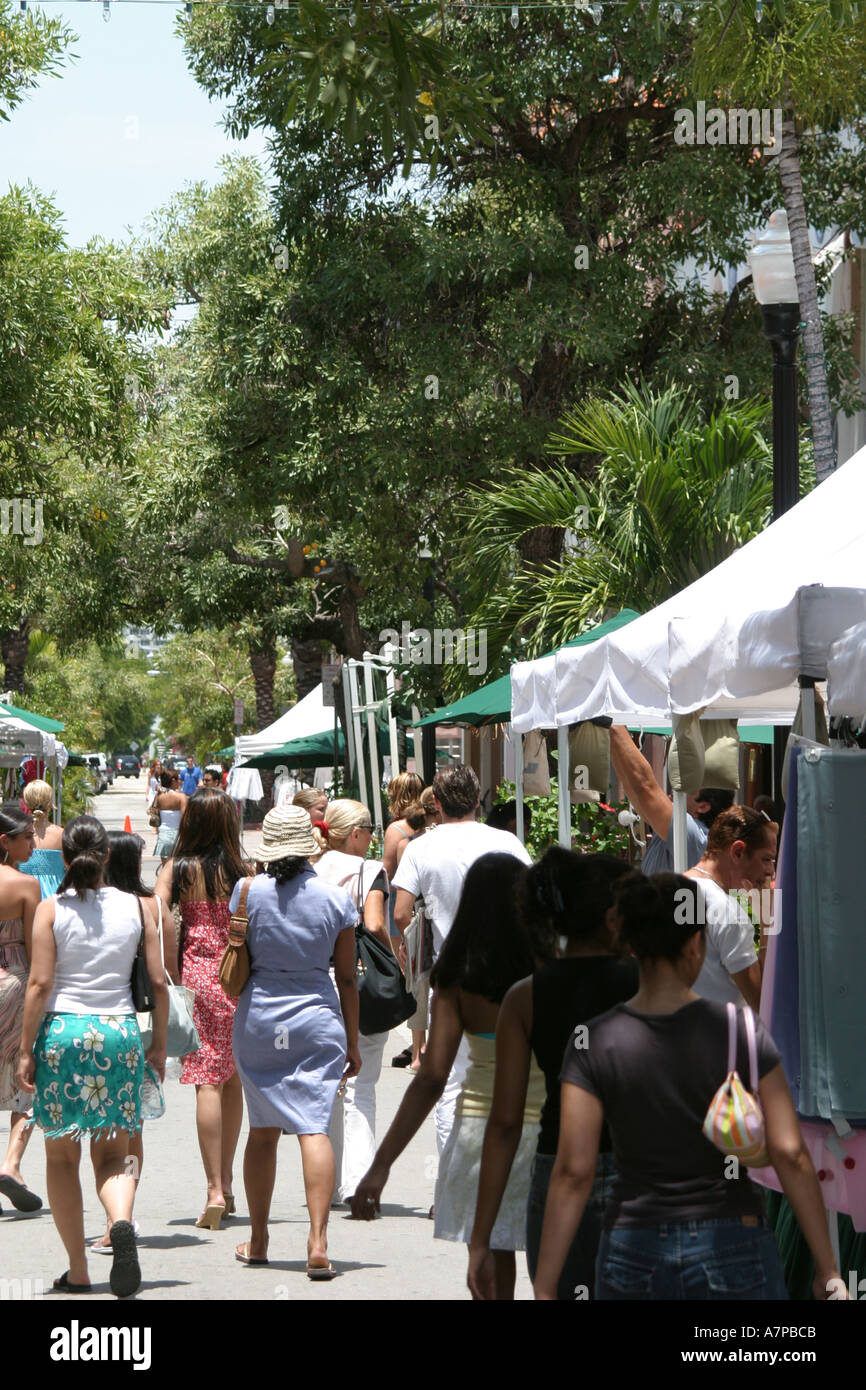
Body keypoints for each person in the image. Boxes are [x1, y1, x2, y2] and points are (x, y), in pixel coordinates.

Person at [533, 872, 845, 1301]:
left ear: (630, 944)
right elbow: (791, 1153)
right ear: (696, 944)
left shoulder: (594, 1040)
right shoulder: (741, 1031)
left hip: (631, 1245)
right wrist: (826, 1268)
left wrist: (547, 1285)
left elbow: (573, 1171)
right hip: (733, 1242)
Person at [352, 853, 540, 1299]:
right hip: (548, 1129)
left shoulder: (458, 977)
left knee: (492, 1262)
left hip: (480, 1130)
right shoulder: (547, 967)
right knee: (554, 1264)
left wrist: (381, 1165)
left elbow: (432, 1077)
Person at [468, 850, 636, 1301]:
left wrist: (481, 1239)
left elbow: (504, 1123)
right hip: (642, 1171)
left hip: (558, 1167)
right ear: (611, 917)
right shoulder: (648, 985)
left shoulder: (524, 999)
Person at [16, 815, 168, 1298]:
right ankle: (121, 1219)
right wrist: (159, 1045)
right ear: (107, 856)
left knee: (62, 1158)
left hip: (63, 1034)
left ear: (64, 858)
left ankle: (79, 1270)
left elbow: (39, 985)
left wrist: (24, 1050)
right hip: (119, 1034)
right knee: (112, 1153)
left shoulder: (50, 909)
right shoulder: (137, 908)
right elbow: (159, 982)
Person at [230, 806, 360, 1276]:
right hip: (317, 1020)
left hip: (261, 1021)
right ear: (311, 846)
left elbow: (240, 958)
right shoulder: (335, 898)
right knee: (313, 1127)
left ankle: (260, 1239)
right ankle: (319, 1242)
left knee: (262, 1132)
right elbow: (346, 978)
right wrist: (353, 1041)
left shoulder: (246, 892)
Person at [391, 765, 531, 1154]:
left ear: (435, 803)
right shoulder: (507, 842)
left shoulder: (421, 847)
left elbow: (401, 912)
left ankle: (448, 1178)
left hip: (449, 979)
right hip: (506, 981)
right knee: (505, 1076)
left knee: (450, 1082)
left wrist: (417, 951)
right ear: (478, 798)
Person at [155, 788, 247, 1230]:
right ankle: (228, 1184)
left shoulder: (178, 869)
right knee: (232, 1081)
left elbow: (155, 918)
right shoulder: (244, 872)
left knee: (205, 1083)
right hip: (239, 980)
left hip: (197, 980)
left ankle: (212, 1187)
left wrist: (169, 972)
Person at [313, 799, 392, 1204]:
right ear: (356, 833)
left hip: (317, 983)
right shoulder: (369, 871)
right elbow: (375, 923)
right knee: (362, 1087)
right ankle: (358, 1183)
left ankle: (325, 1178)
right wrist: (392, 956)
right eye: (369, 830)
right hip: (359, 983)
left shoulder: (313, 868)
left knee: (329, 1085)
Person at [90, 831, 161, 1255]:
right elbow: (165, 970)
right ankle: (125, 1215)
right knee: (131, 1126)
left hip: (102, 1021)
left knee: (106, 1133)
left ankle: (116, 1220)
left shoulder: (92, 904)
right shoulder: (148, 905)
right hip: (141, 1021)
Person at [685, 805, 777, 1011]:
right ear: (738, 851)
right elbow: (763, 1004)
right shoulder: (729, 912)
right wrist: (768, 921)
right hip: (718, 1037)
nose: (771, 871)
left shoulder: (674, 887)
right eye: (766, 859)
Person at [608, 725, 734, 873]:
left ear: (702, 807)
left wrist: (614, 724)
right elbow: (636, 791)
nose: (677, 786)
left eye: (690, 783)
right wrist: (611, 734)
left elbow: (645, 788)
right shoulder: (677, 829)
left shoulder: (691, 832)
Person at [0, 808, 43, 1211]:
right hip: (13, 983)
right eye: (26, 837)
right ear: (4, 842)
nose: (33, 842)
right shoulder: (27, 885)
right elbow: (35, 953)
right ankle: (11, 1164)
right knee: (27, 1074)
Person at [20, 781, 65, 898]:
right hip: (56, 898)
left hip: (25, 896)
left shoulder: (18, 835)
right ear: (50, 803)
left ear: (26, 803)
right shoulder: (61, 834)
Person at [153, 770, 188, 865]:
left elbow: (156, 813)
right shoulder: (181, 797)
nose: (180, 781)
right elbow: (185, 818)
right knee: (178, 870)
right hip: (178, 836)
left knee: (165, 869)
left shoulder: (159, 797)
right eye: (179, 779)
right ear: (173, 780)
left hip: (163, 835)